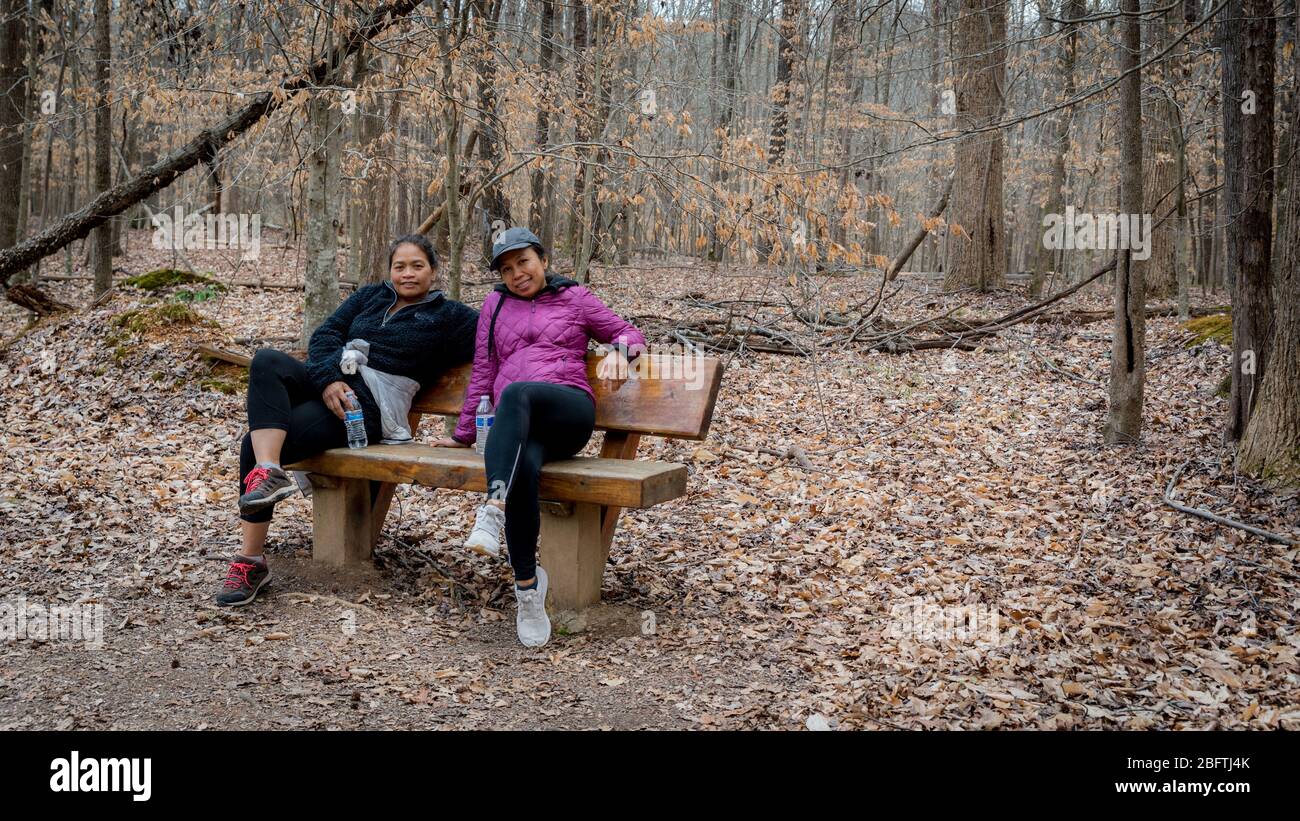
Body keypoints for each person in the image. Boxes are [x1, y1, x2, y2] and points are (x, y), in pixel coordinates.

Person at [217, 234, 479, 606]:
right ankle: (268, 471)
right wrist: (329, 381)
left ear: (433, 271)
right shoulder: (371, 297)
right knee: (266, 361)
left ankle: (250, 559)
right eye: (399, 266)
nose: (407, 274)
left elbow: (502, 330)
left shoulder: (450, 317)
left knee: (250, 441)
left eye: (417, 266)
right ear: (389, 271)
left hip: (370, 407)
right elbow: (326, 334)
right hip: (334, 382)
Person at [430, 227, 645, 647]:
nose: (517, 274)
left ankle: (492, 508)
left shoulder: (575, 298)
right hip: (517, 429)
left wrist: (619, 354)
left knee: (516, 391)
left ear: (543, 260)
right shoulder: (494, 305)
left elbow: (629, 333)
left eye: (523, 262)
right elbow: (484, 371)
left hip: (567, 413)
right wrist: (463, 434)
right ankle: (527, 588)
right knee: (523, 468)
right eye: (507, 269)